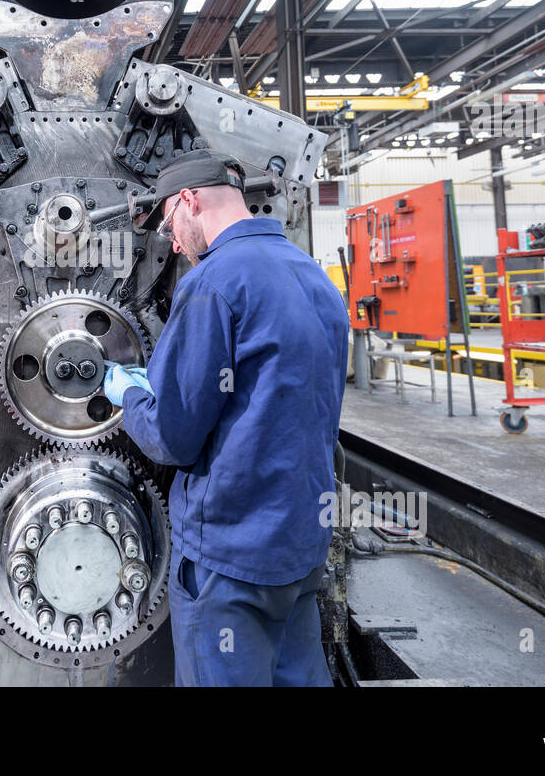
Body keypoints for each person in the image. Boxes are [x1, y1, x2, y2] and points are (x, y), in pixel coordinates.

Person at [104, 149, 348, 686]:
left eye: (170, 222)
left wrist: (130, 397)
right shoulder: (315, 277)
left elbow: (172, 437)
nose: (171, 240)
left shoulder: (214, 283)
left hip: (231, 561)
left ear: (190, 200)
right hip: (301, 547)